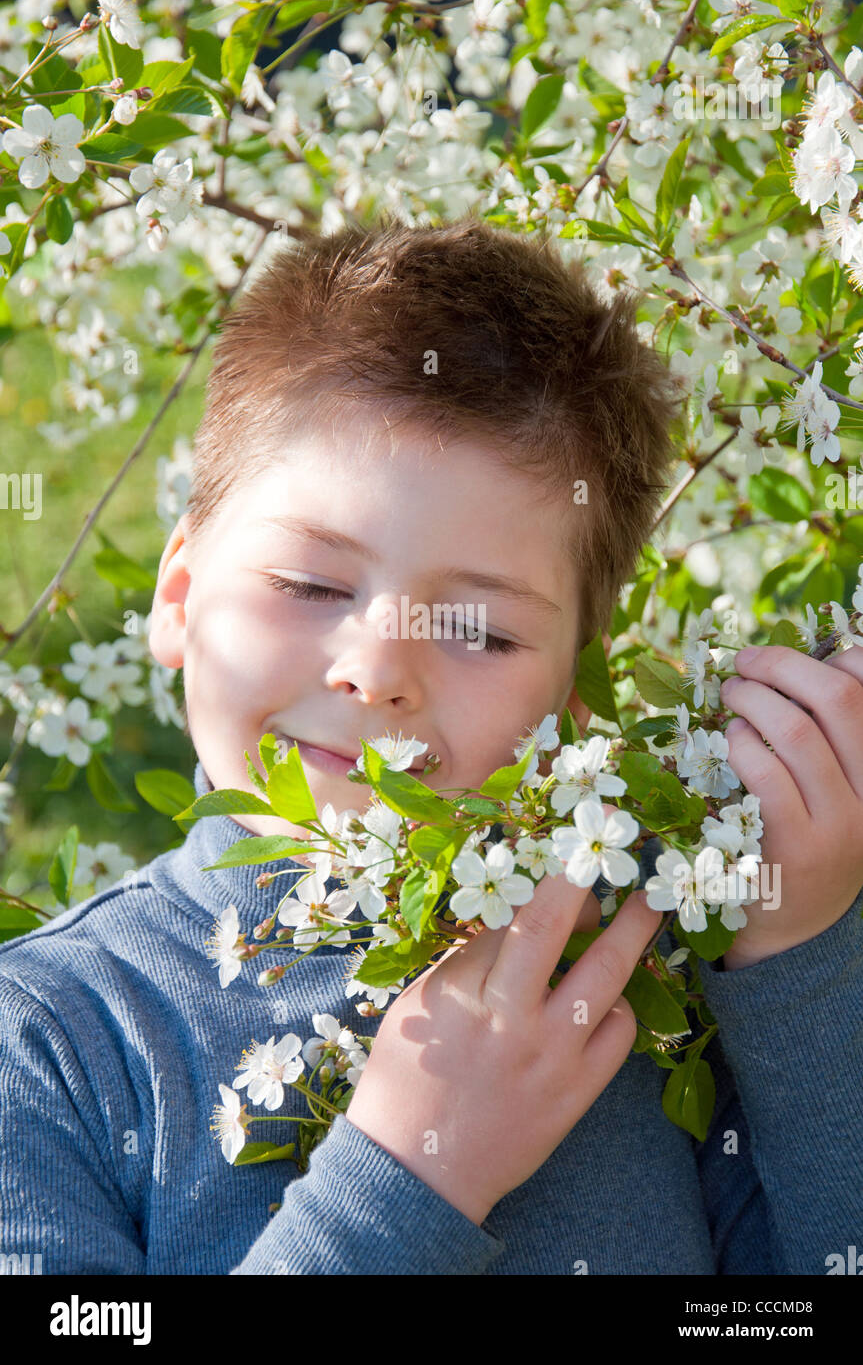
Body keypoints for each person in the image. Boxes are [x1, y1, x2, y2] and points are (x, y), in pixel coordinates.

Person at [1, 216, 861, 1275]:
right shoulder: (50, 1045)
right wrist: (411, 1174)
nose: (379, 667)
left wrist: (797, 957)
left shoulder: (648, 972)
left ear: (576, 699)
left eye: (480, 631)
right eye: (310, 584)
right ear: (177, 595)